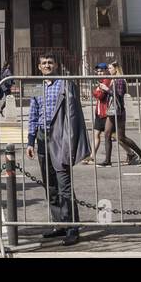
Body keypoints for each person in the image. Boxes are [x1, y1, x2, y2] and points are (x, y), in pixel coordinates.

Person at [26, 52, 89, 246]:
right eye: (43, 63)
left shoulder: (65, 84)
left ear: (56, 65)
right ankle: (59, 224)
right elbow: (33, 114)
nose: (47, 65)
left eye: (50, 63)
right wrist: (30, 141)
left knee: (64, 185)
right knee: (50, 186)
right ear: (39, 67)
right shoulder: (36, 87)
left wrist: (71, 142)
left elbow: (72, 115)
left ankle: (72, 227)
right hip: (42, 139)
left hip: (60, 139)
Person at [105, 63, 141, 165]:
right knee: (107, 134)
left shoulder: (120, 80)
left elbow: (119, 95)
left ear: (116, 69)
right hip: (112, 111)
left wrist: (107, 90)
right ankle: (107, 161)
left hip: (118, 111)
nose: (108, 70)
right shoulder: (113, 80)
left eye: (110, 68)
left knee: (121, 137)